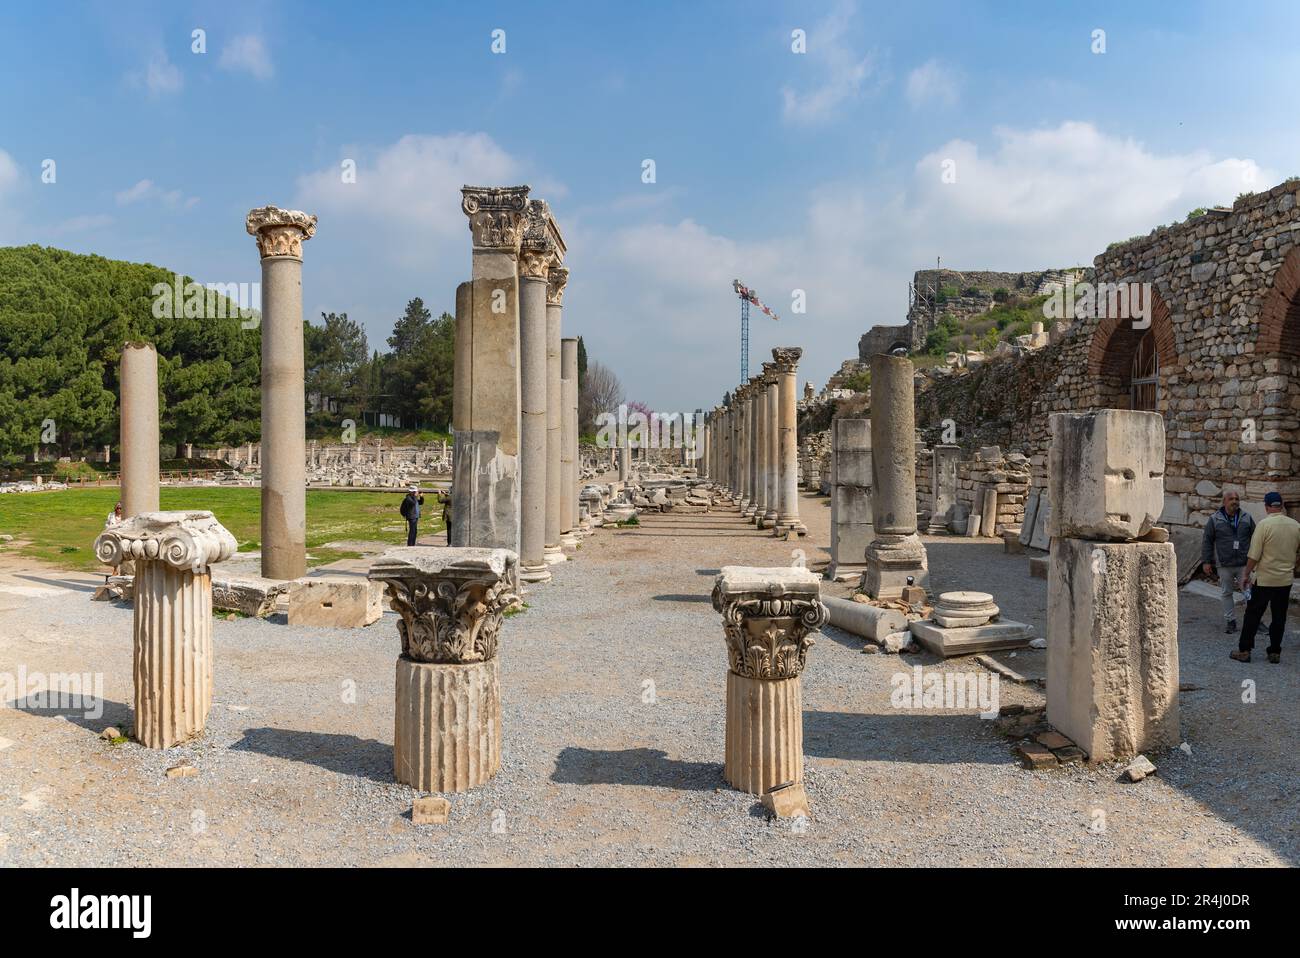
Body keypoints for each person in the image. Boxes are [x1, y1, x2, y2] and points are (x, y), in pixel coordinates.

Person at [1231, 491, 1300, 664]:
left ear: (1266, 506)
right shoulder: (1295, 525)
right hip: (1284, 580)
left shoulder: (1264, 525)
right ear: (1282, 506)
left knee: (1253, 614)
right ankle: (1274, 652)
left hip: (1265, 579)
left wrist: (1246, 574)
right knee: (1279, 616)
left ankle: (1245, 650)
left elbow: (1254, 555)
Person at [1200, 490, 1255, 632]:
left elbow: (1256, 539)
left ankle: (1256, 621)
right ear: (1224, 502)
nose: (1234, 501)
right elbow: (1207, 541)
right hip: (1224, 564)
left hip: (1244, 563)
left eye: (1237, 499)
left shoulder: (1246, 518)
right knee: (1226, 593)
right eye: (1231, 499)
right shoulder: (1215, 519)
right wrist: (1206, 561)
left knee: (1248, 592)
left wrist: (1255, 560)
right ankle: (1230, 621)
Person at [103, 502, 125, 579]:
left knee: (123, 553)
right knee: (116, 553)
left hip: (122, 536)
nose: (119, 509)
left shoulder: (125, 515)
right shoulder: (111, 515)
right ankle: (115, 570)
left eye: (120, 508)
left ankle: (124, 570)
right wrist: (108, 530)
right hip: (114, 535)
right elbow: (107, 524)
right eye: (118, 508)